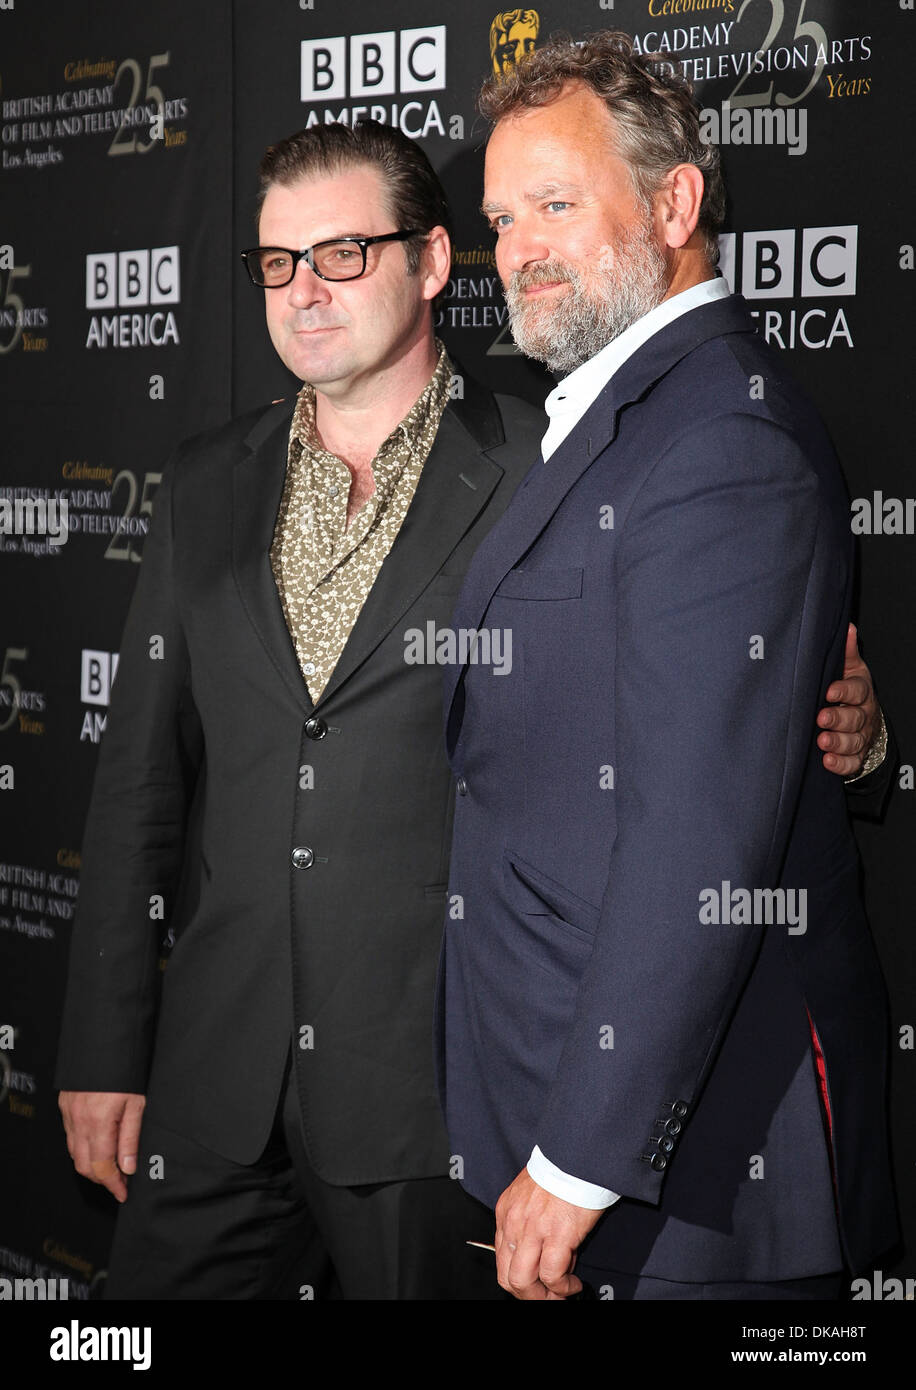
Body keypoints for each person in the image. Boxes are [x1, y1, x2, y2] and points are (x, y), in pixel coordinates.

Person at [55, 116, 882, 1302]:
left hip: (435, 1095)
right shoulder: (201, 483)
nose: (305, 292)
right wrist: (100, 1044)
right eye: (278, 264)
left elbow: (693, 737)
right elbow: (136, 781)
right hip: (213, 1084)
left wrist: (852, 739)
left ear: (433, 265)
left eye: (342, 254)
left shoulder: (543, 470)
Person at [436, 32, 899, 1302]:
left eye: (554, 204)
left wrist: (582, 1160)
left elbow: (698, 844)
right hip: (571, 1092)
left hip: (687, 1162)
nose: (516, 244)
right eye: (498, 216)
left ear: (675, 202)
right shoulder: (609, 410)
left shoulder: (717, 444)